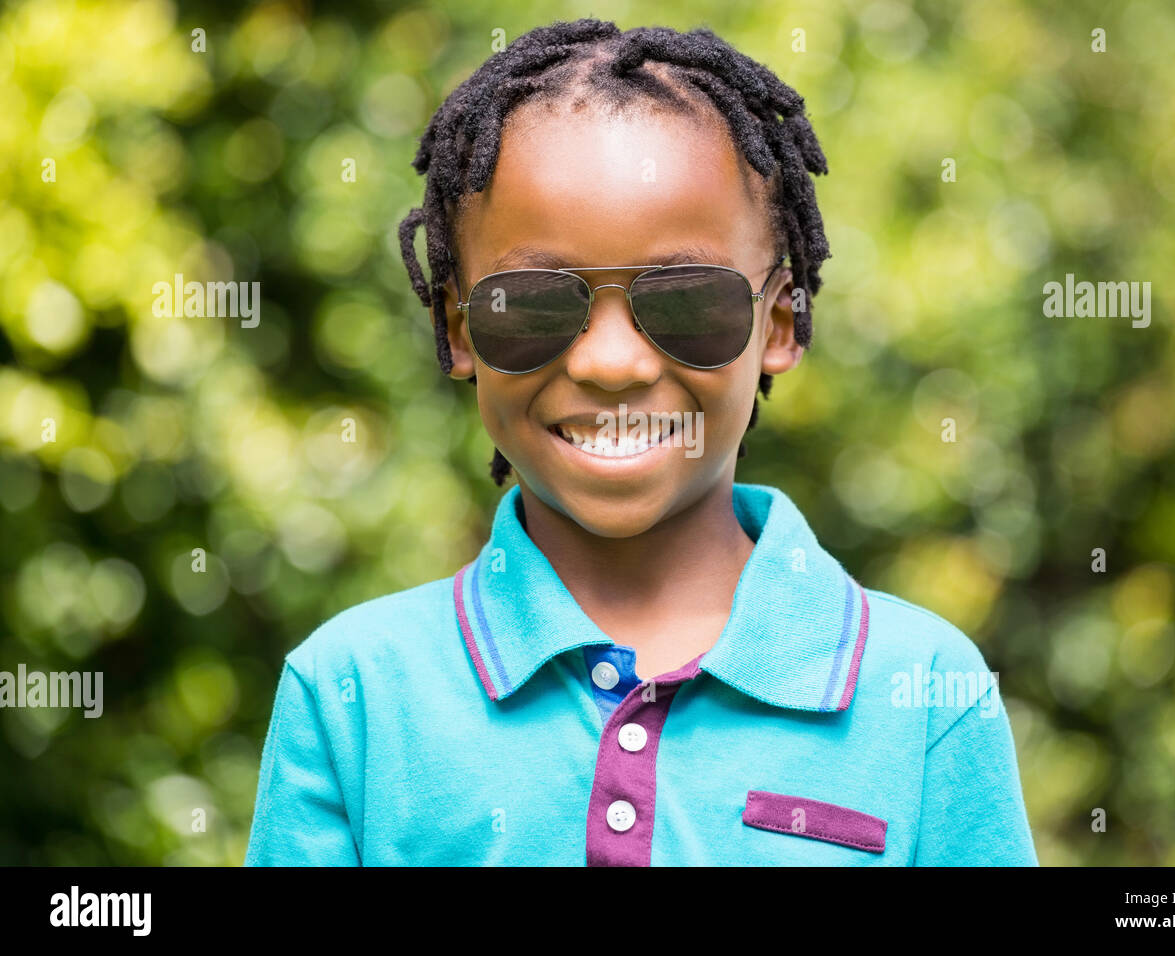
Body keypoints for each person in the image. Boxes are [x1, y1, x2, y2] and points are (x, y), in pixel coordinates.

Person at [245, 18, 1036, 866]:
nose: (612, 362)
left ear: (781, 320)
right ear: (459, 328)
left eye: (686, 301)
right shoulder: (352, 695)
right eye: (536, 304)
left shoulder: (923, 695)